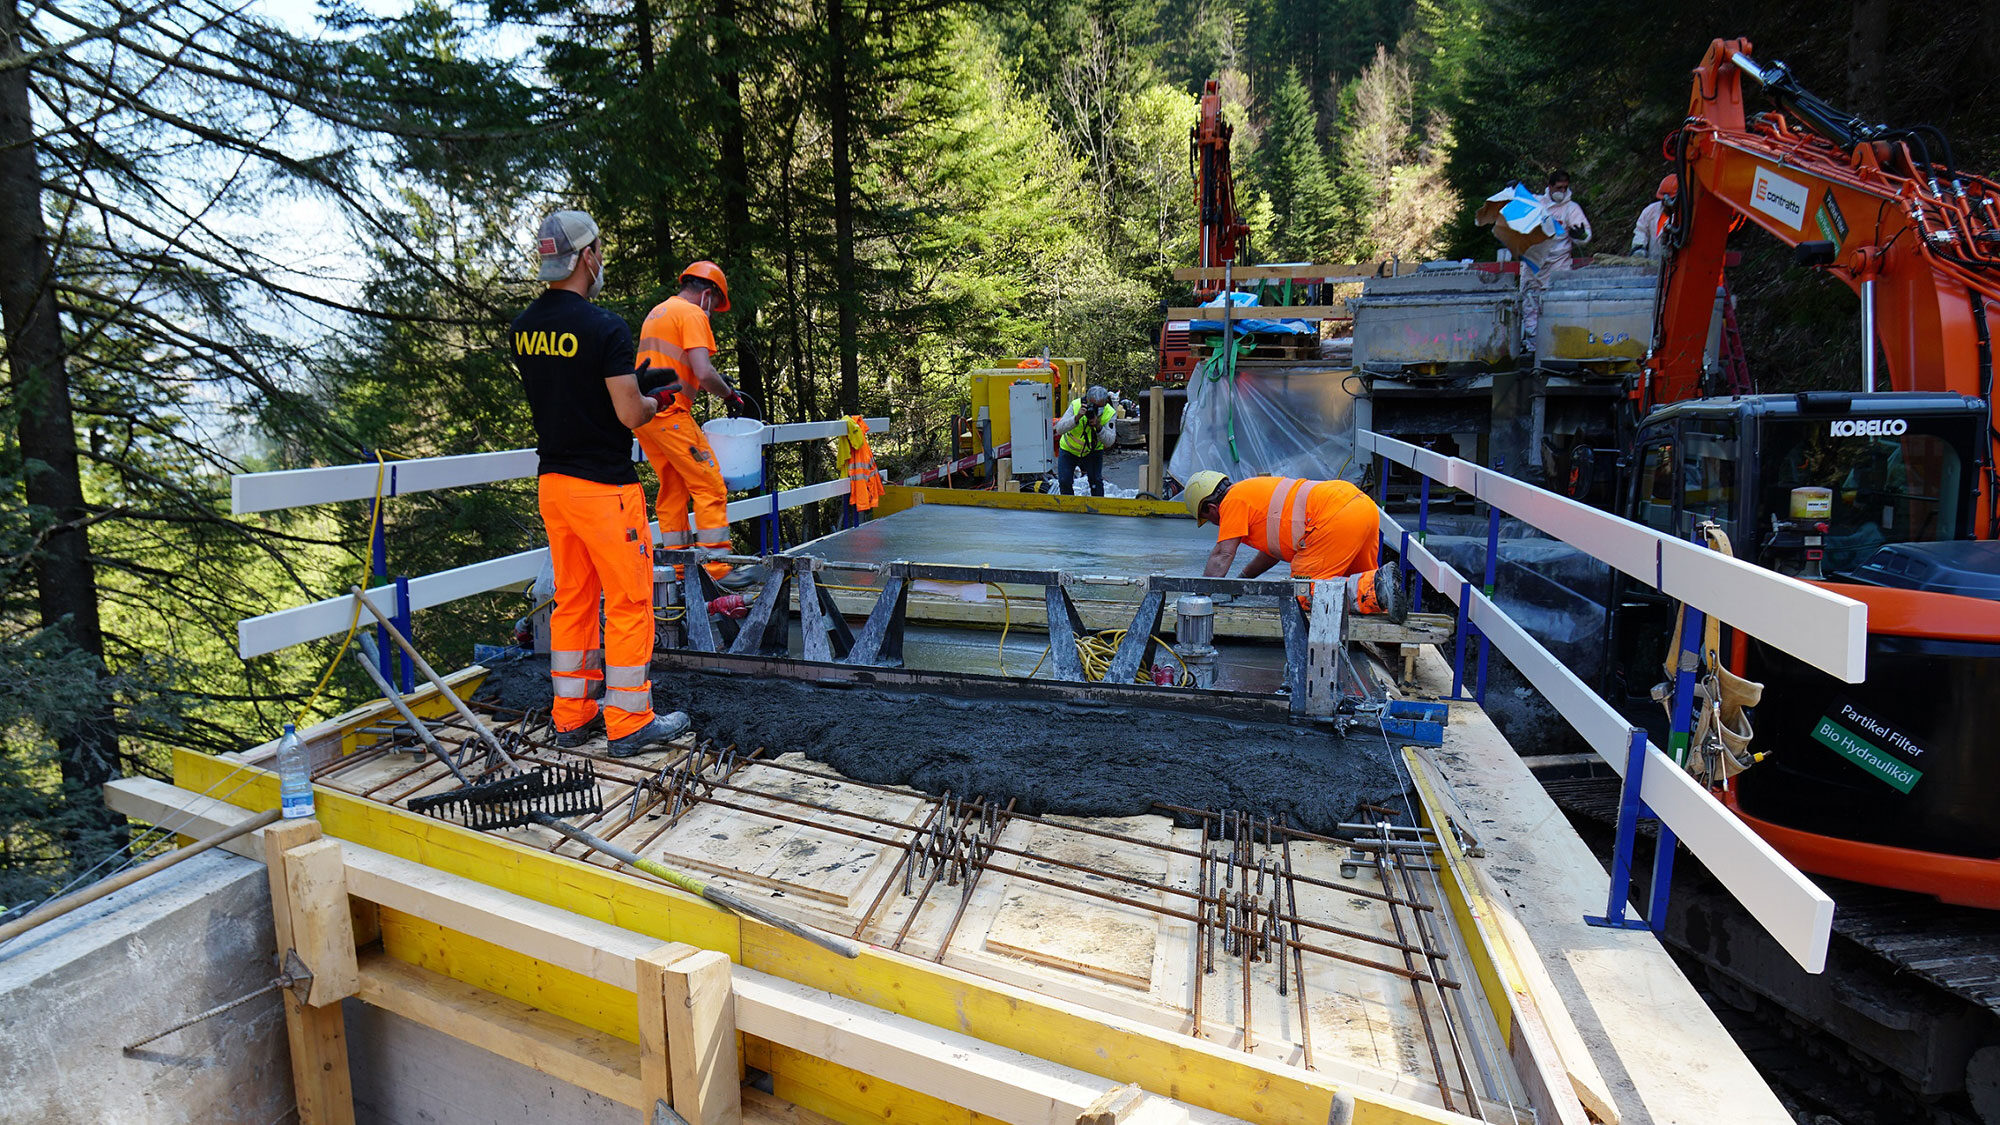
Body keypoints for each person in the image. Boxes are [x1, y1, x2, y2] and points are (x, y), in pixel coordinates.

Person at [511, 210, 690, 756]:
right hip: (605, 492)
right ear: (587, 257)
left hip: (555, 486)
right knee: (631, 600)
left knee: (574, 600)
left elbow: (573, 391)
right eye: (600, 251)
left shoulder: (524, 329)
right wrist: (655, 397)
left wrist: (629, 382)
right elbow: (629, 415)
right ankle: (630, 721)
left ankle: (573, 715)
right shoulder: (605, 328)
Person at [633, 261, 753, 586]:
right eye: (714, 303)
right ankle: (718, 570)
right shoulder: (693, 313)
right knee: (710, 484)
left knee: (673, 490)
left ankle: (679, 571)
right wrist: (729, 394)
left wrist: (714, 380)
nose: (712, 311)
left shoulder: (659, 312)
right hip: (670, 415)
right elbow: (703, 371)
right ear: (708, 293)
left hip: (645, 415)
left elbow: (676, 365)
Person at [1179, 471, 1404, 619]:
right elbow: (1272, 552)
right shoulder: (1250, 491)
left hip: (1333, 517)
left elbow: (1222, 554)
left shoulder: (1232, 503)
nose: (1215, 524)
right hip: (1359, 506)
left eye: (1208, 519)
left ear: (1211, 508)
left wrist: (1200, 596)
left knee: (1304, 592)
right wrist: (1244, 579)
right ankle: (1384, 600)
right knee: (1362, 578)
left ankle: (1379, 588)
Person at [1521, 170, 1593, 343]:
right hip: (1533, 264)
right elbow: (1515, 206)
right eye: (1559, 187)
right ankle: (1533, 346)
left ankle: (1555, 345)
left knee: (1555, 305)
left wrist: (1580, 235)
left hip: (1558, 265)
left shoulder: (1571, 208)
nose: (1562, 191)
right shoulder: (1536, 202)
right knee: (1530, 304)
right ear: (1550, 187)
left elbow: (1586, 235)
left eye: (1565, 187)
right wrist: (1512, 190)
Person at [1052, 384, 1119, 496]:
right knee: (1064, 481)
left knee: (1096, 482)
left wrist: (1098, 427)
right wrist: (1076, 418)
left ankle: (1097, 508)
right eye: (1093, 406)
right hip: (1069, 449)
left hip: (1093, 451)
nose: (1096, 410)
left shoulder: (1109, 412)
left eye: (1100, 407)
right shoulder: (1076, 405)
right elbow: (1059, 429)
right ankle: (1068, 507)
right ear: (1087, 401)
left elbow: (1109, 441)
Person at [1630, 175, 1678, 260]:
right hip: (1652, 264)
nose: (1665, 204)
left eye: (1669, 201)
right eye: (1663, 200)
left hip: (1673, 264)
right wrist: (1638, 248)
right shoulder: (1651, 210)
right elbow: (1641, 230)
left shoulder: (1684, 219)